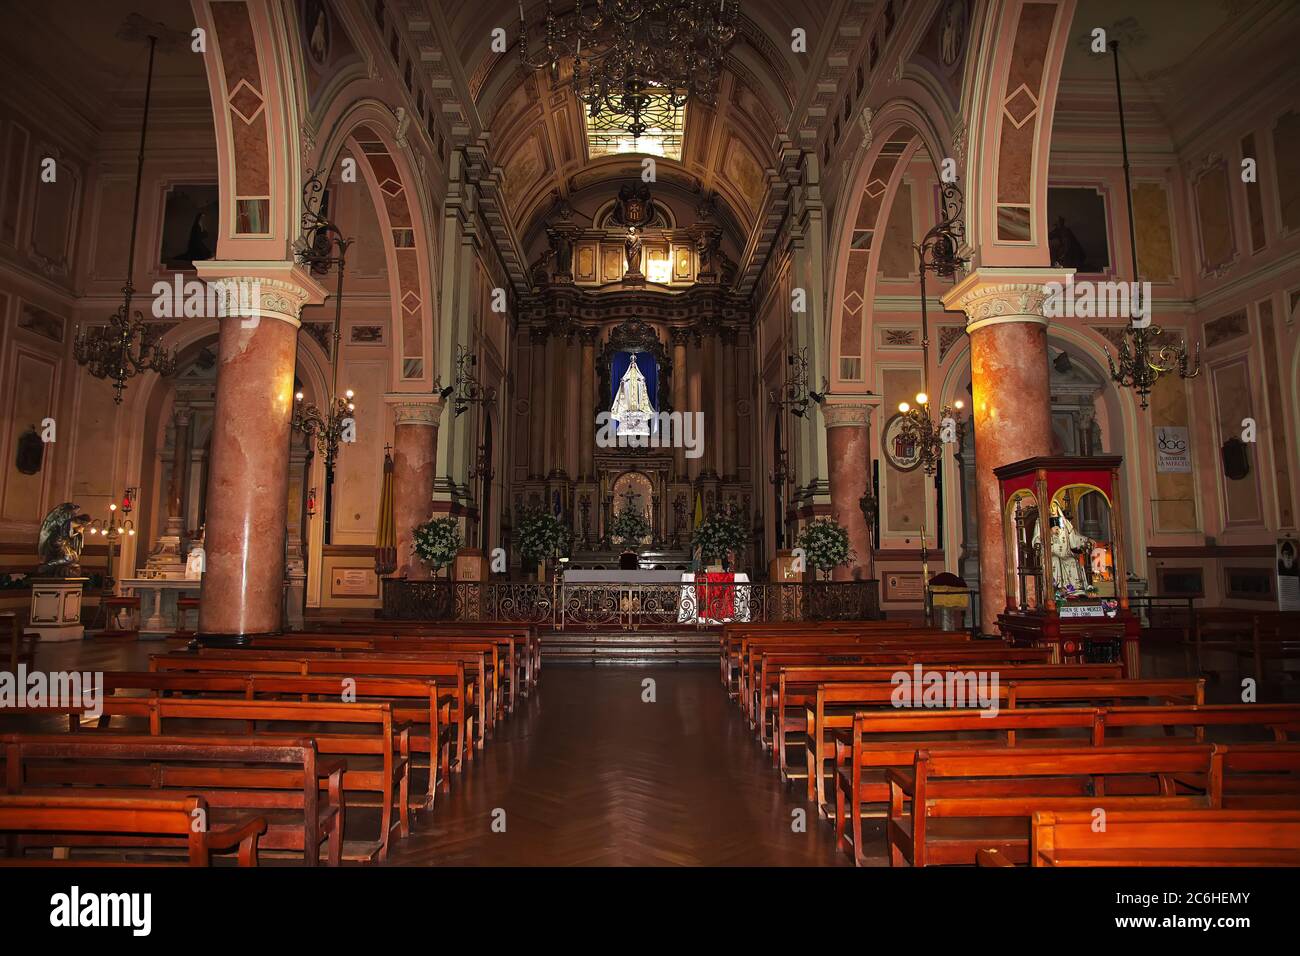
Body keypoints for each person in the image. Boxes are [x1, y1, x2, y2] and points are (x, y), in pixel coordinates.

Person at [1033, 500, 1092, 595]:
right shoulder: (1040, 522)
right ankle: (1055, 590)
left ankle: (1074, 590)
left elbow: (1074, 538)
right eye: (1050, 506)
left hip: (1065, 553)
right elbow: (1036, 539)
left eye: (1054, 506)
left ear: (1058, 507)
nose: (1052, 509)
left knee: (1072, 560)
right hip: (1049, 553)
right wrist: (1049, 533)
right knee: (1055, 560)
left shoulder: (1065, 522)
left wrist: (1087, 540)